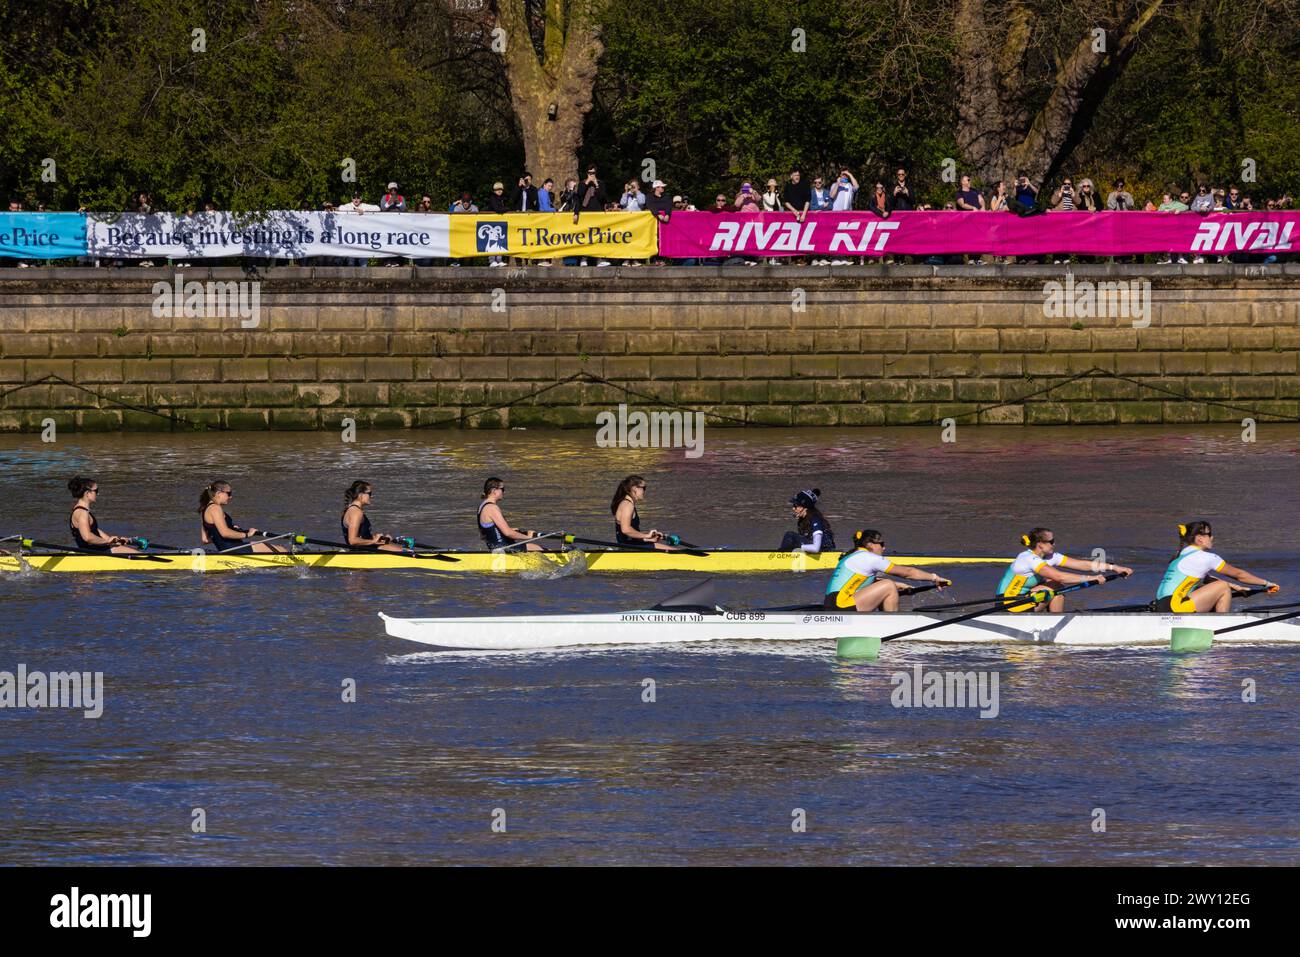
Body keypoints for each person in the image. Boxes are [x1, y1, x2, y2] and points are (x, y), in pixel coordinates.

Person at [996, 528, 1131, 612]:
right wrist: (1090, 578)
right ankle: (1054, 621)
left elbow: (1082, 565)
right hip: (1009, 602)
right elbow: (1060, 576)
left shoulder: (1049, 556)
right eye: (1051, 541)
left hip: (1024, 598)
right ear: (1040, 545)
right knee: (1054, 586)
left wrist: (1114, 567)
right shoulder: (1028, 558)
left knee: (1056, 587)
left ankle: (1055, 620)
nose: (1054, 544)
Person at [1154, 521, 1278, 613]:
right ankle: (1221, 623)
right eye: (1209, 534)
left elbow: (1206, 579)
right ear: (1200, 539)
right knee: (1222, 587)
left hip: (1161, 606)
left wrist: (1236, 587)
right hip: (1176, 607)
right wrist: (1266, 583)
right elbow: (1239, 575)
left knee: (1220, 586)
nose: (1212, 537)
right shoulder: (1206, 557)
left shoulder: (1183, 554)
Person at [824, 529, 951, 611]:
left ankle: (883, 620)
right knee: (888, 585)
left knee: (888, 585)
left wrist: (900, 586)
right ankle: (891, 624)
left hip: (832, 604)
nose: (884, 548)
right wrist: (935, 578)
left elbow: (860, 583)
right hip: (841, 605)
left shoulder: (853, 556)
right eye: (882, 544)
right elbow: (908, 572)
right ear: (870, 545)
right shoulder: (869, 558)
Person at [198, 480, 285, 553]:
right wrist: (247, 534)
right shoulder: (215, 508)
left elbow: (205, 539)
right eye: (229, 493)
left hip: (227, 549)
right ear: (219, 493)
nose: (230, 496)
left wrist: (232, 530)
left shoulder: (204, 509)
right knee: (280, 550)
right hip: (234, 549)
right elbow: (225, 533)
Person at [67, 477, 140, 553]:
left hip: (97, 549)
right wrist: (108, 541)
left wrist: (115, 540)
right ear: (87, 493)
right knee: (137, 554)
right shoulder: (82, 513)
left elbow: (95, 530)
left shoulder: (82, 511)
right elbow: (87, 537)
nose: (98, 493)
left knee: (130, 550)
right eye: (96, 491)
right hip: (93, 551)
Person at [610, 475, 678, 550]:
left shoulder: (627, 503)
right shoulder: (627, 505)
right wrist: (646, 536)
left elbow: (630, 534)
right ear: (634, 488)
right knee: (677, 552)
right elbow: (625, 530)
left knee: (672, 550)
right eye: (644, 488)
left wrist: (649, 538)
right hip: (630, 547)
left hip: (632, 544)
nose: (644, 491)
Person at [475, 477, 544, 551]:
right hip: (504, 549)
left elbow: (485, 534)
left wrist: (512, 530)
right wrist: (528, 537)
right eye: (502, 489)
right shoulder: (492, 508)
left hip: (496, 548)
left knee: (536, 548)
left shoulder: (482, 506)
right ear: (494, 490)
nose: (504, 492)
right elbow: (508, 533)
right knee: (539, 549)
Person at [341, 480, 406, 552]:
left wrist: (380, 539)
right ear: (361, 495)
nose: (372, 496)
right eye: (370, 493)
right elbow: (352, 540)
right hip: (362, 552)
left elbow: (363, 536)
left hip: (366, 548)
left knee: (404, 549)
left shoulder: (354, 510)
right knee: (405, 551)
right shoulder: (356, 512)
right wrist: (374, 541)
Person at [781, 488, 835, 553]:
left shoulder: (815, 520)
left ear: (805, 507)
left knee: (789, 535)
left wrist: (797, 546)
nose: (793, 508)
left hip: (826, 553)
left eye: (795, 506)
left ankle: (779, 557)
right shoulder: (802, 521)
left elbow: (816, 548)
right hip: (816, 552)